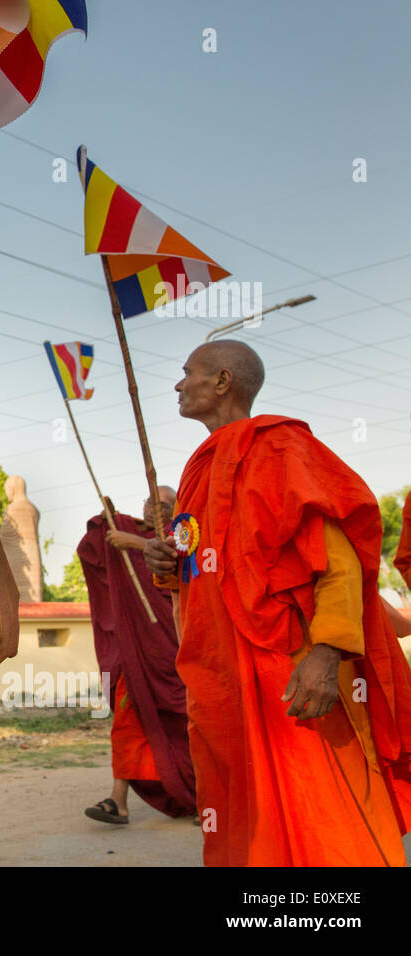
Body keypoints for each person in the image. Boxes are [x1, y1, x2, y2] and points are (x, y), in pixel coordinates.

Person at [143, 340, 411, 866]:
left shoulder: (281, 449)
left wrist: (327, 652)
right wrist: (170, 565)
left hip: (285, 667)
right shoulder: (200, 468)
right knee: (246, 808)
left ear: (222, 381)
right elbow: (207, 564)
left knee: (317, 806)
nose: (177, 384)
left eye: (187, 372)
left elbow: (339, 562)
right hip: (222, 673)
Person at [79, 487, 196, 825]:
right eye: (148, 502)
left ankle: (206, 796)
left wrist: (131, 542)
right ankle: (118, 801)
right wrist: (109, 522)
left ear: (176, 511)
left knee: (189, 725)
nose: (151, 510)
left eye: (162, 506)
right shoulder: (131, 531)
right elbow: (98, 551)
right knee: (127, 723)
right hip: (138, 652)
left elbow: (177, 567)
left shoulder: (184, 537)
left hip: (175, 652)